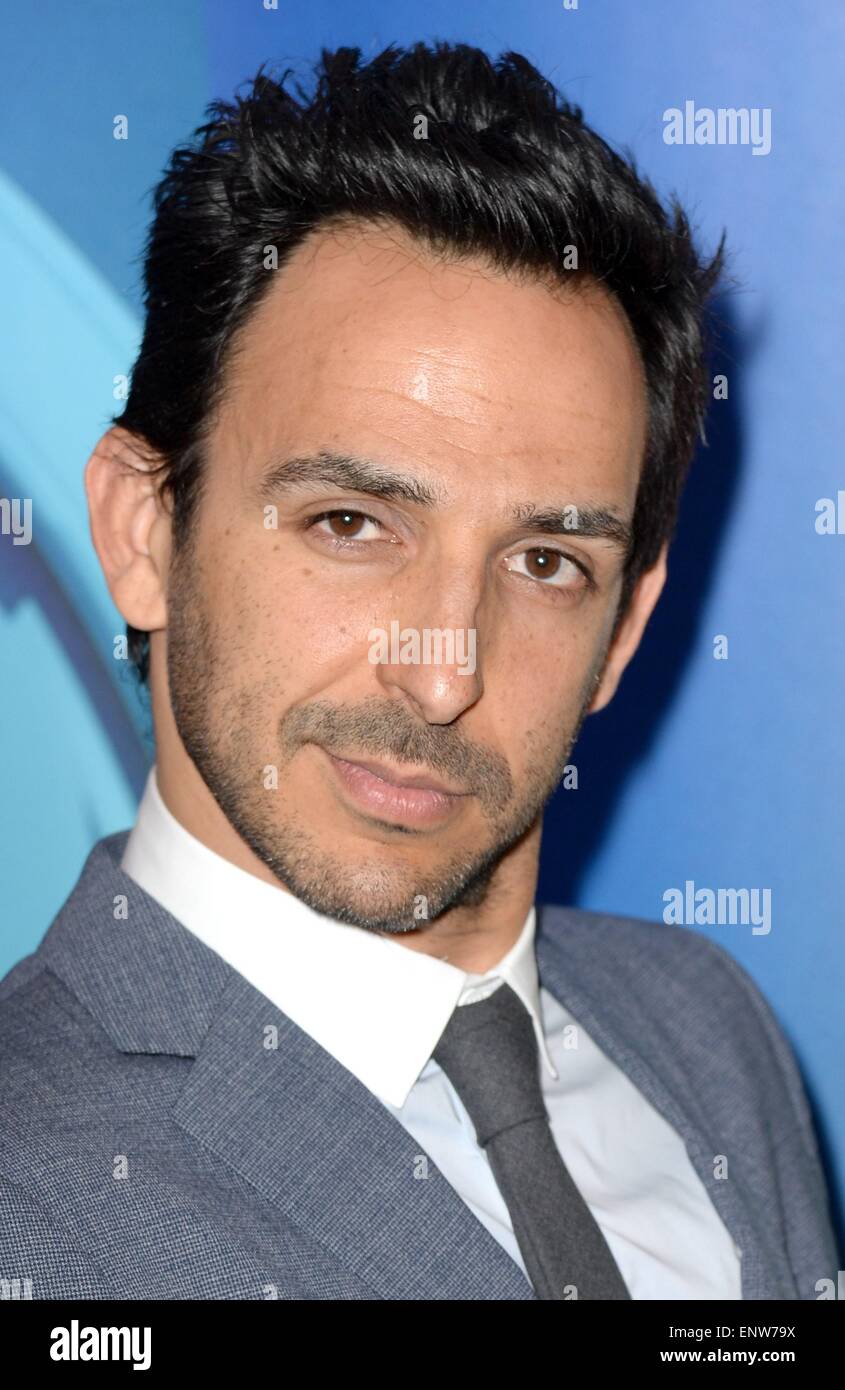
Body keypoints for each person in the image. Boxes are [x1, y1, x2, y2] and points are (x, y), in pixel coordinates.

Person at [0, 41, 838, 1300]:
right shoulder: (32, 1202)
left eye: (546, 560)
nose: (441, 675)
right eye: (349, 523)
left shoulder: (705, 1029)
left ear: (622, 629)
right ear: (142, 531)